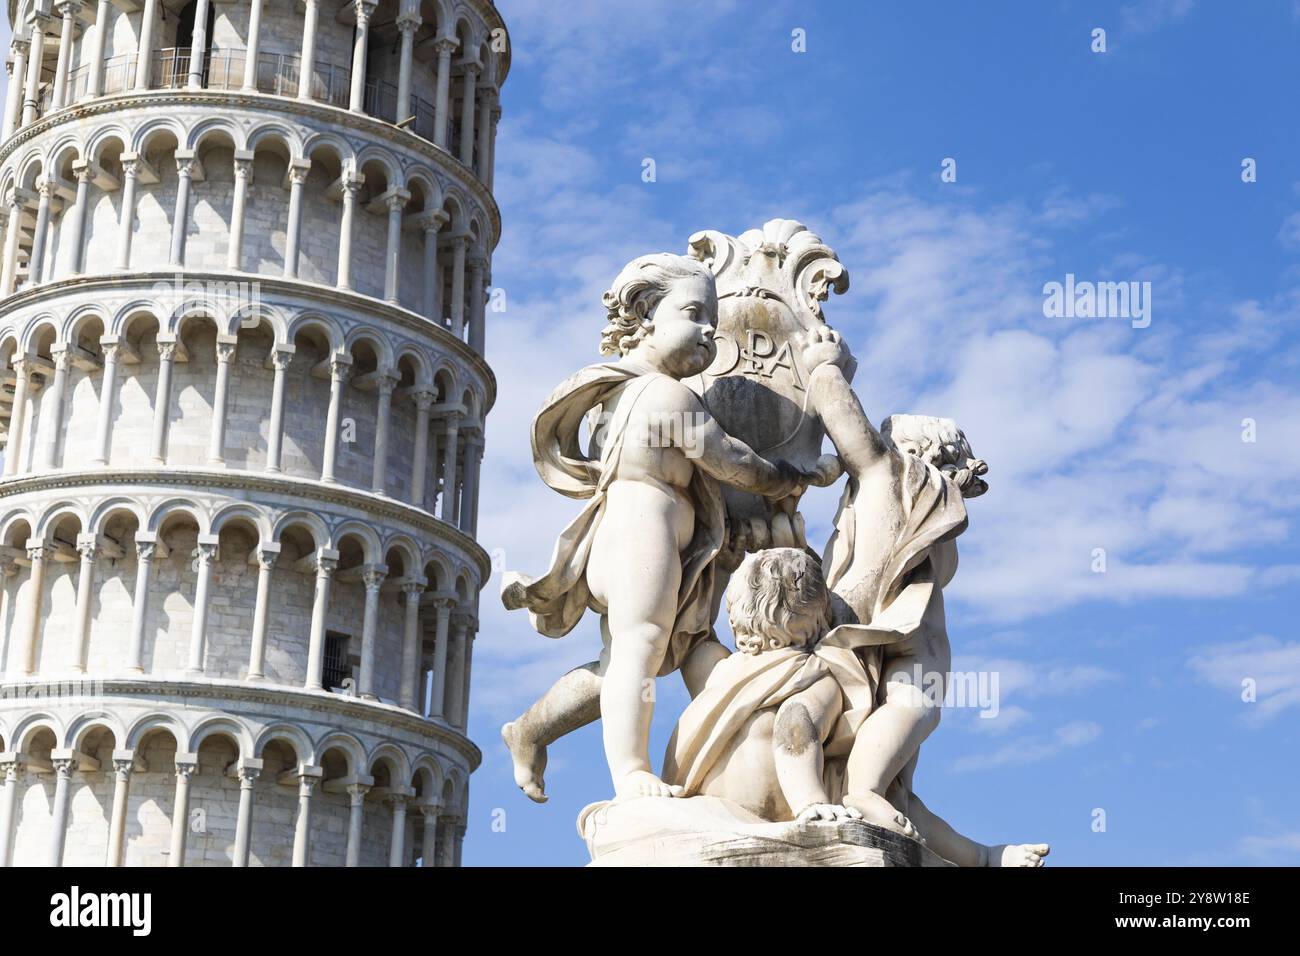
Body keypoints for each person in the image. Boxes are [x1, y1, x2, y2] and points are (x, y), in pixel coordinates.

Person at [501, 253, 810, 801]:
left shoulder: (619, 393)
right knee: (640, 646)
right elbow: (729, 459)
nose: (709, 330)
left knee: (656, 650)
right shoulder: (664, 394)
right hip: (642, 527)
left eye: (713, 320)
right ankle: (632, 773)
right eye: (694, 313)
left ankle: (530, 729)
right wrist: (783, 478)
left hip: (661, 533)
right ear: (645, 312)